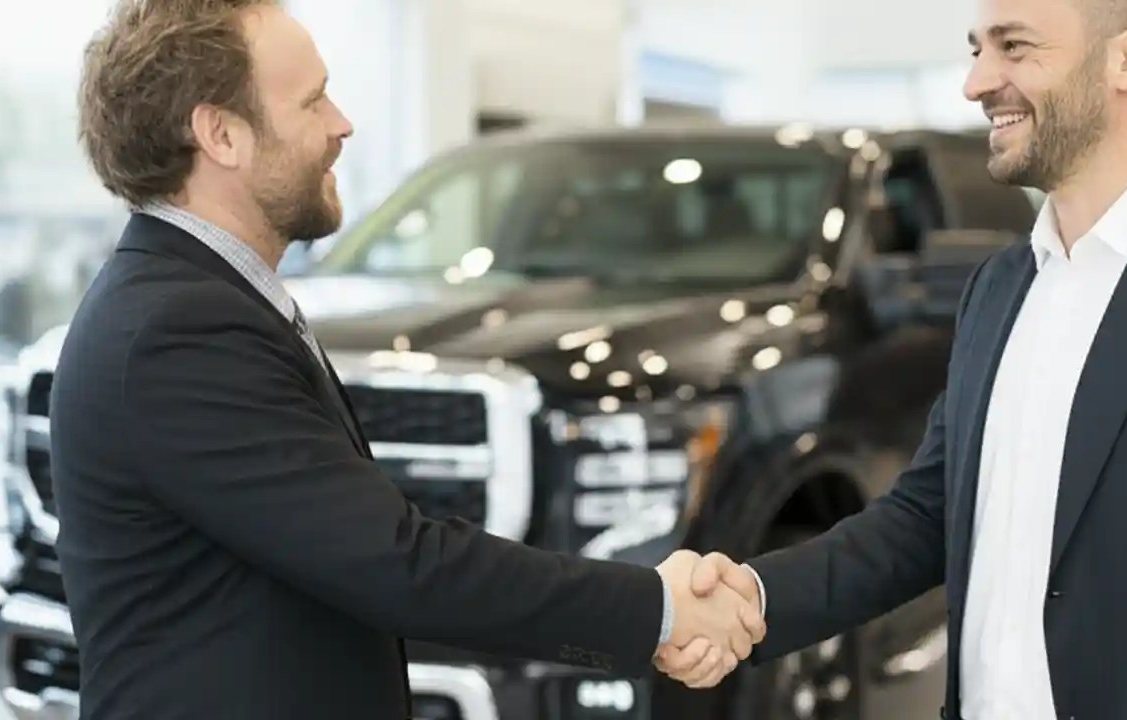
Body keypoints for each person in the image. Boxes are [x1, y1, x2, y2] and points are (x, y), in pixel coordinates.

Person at [52, 1, 763, 718]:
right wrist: (657, 611)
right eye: (312, 100)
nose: (342, 123)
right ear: (222, 134)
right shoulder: (177, 331)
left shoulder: (202, 299)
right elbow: (398, 564)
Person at [661, 0, 1127, 718]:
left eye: (1014, 47)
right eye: (977, 49)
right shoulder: (999, 288)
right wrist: (752, 598)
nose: (976, 83)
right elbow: (927, 514)